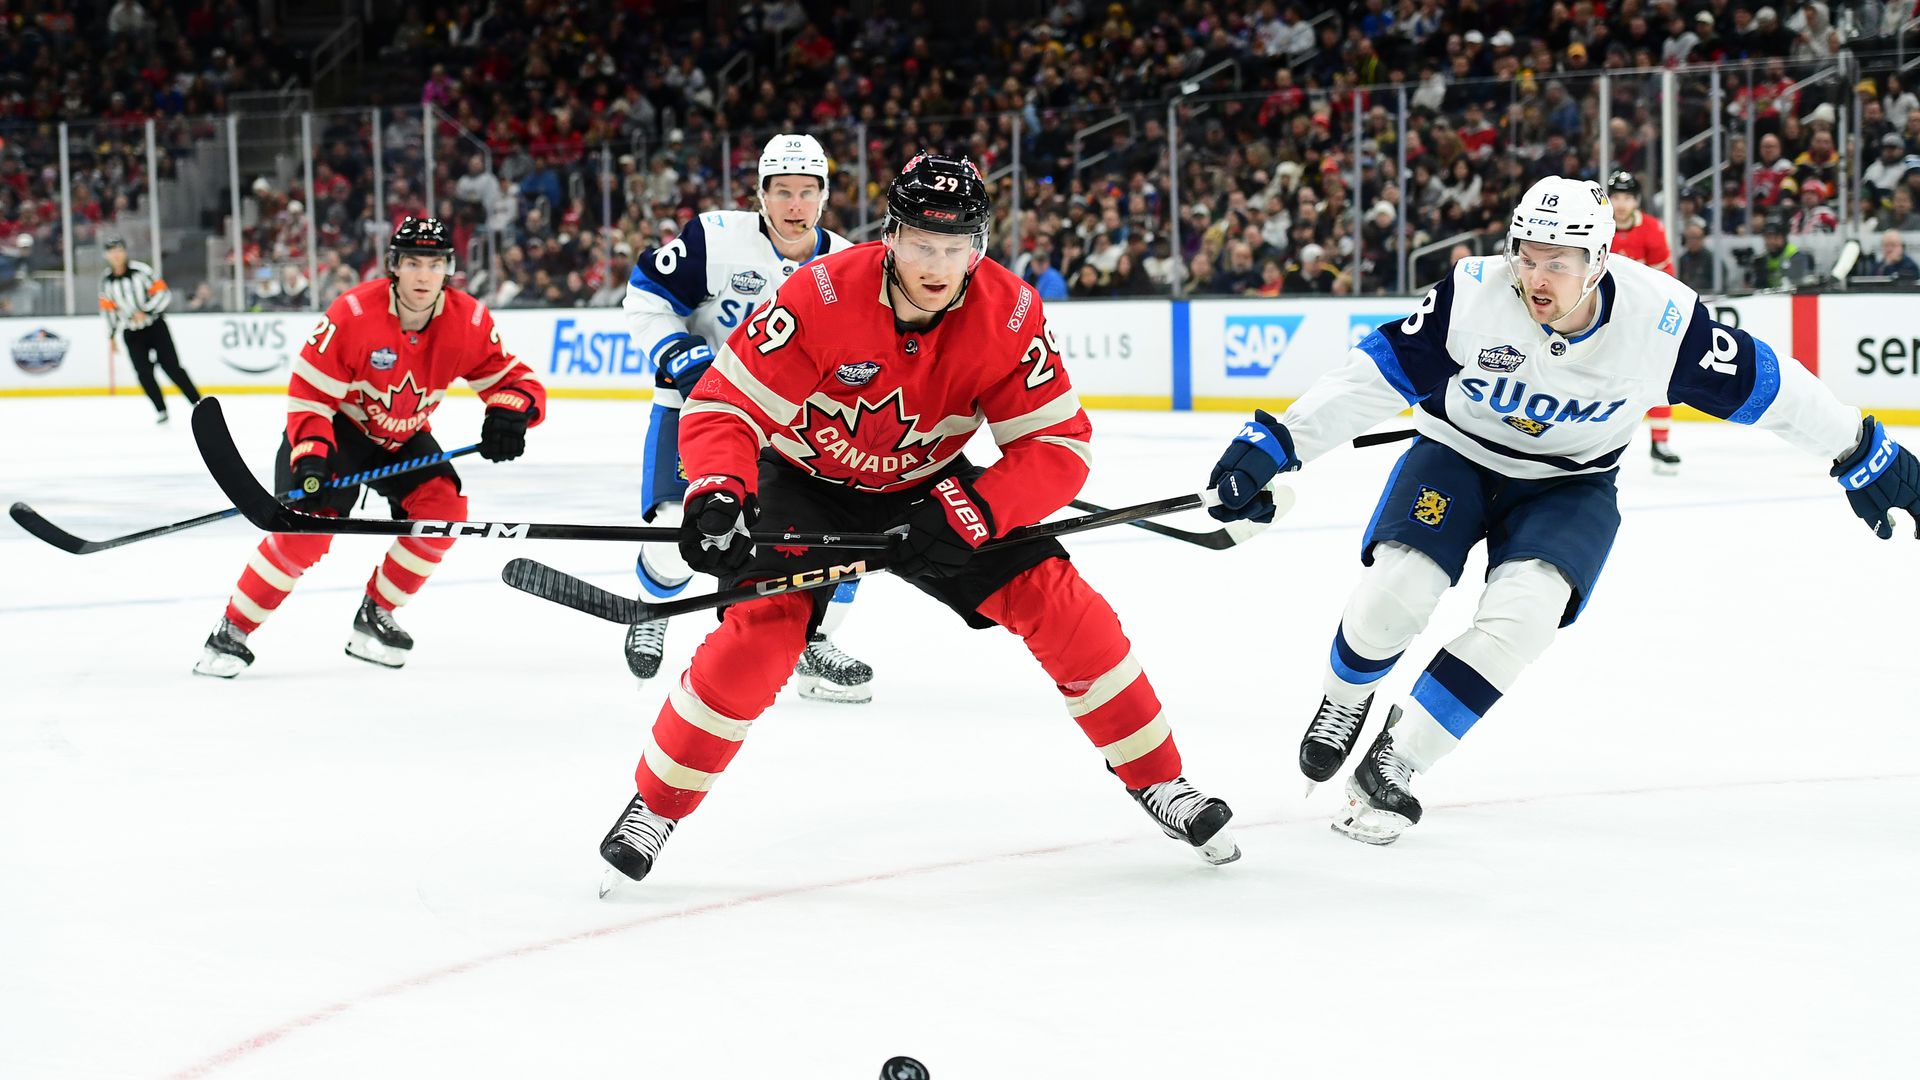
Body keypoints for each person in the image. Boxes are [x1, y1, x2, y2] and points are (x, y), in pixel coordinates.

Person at [1204, 176, 1920, 845]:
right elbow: (1374, 375)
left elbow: (1774, 389)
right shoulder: (1474, 293)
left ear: (1600, 259)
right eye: (1528, 256)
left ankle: (1398, 759)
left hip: (1571, 484)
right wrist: (1278, 441)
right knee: (1394, 594)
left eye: (1558, 262)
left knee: (1525, 617)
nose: (1536, 278)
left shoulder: (1663, 322)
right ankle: (1345, 696)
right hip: (1456, 454)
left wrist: (1858, 448)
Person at [597, 152, 1241, 890]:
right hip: (806, 482)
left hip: (933, 492)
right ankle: (656, 806)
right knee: (761, 633)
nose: (938, 265)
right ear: (891, 235)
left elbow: (1059, 447)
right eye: (922, 244)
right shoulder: (819, 294)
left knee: (1065, 609)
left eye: (956, 245)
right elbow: (726, 405)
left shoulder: (1012, 313)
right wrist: (719, 489)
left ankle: (1160, 782)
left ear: (981, 245)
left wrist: (980, 507)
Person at [192, 218, 546, 678]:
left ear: (448, 269)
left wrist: (509, 414)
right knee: (305, 530)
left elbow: (514, 381)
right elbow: (310, 396)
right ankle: (231, 631)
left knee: (443, 510)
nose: (423, 275)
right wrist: (312, 457)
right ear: (394, 267)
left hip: (402, 438)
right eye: (413, 263)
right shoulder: (353, 313)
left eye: (434, 264)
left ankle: (375, 616)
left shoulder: (468, 321)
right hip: (339, 431)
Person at [620, 132, 876, 702]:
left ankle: (813, 646)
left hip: (797, 429)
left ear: (824, 196)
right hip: (704, 412)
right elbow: (645, 297)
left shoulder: (849, 262)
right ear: (760, 193)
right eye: (781, 191)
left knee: (844, 536)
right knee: (676, 524)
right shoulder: (713, 239)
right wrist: (680, 355)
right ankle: (654, 606)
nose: (794, 206)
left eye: (807, 192)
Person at [1605, 170, 1681, 474]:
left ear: (1636, 201)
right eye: (1616, 197)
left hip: (1643, 319)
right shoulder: (1597, 227)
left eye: (1627, 197)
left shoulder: (1651, 229)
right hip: (1602, 319)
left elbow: (1665, 276)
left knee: (1657, 378)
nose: (1621, 204)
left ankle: (1660, 443)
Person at [99, 235, 199, 423]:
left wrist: (146, 311)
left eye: (119, 250)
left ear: (125, 252)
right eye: (112, 252)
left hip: (155, 327)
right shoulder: (106, 282)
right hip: (131, 333)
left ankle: (197, 402)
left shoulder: (141, 272)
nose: (116, 255)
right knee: (144, 373)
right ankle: (161, 410)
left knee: (172, 367)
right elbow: (108, 310)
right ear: (106, 256)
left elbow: (163, 293)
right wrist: (111, 336)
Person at [1854, 228, 1920, 281]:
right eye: (1886, 245)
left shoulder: (1910, 266)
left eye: (1893, 245)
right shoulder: (1878, 266)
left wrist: (1889, 265)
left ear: (1902, 247)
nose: (1889, 249)